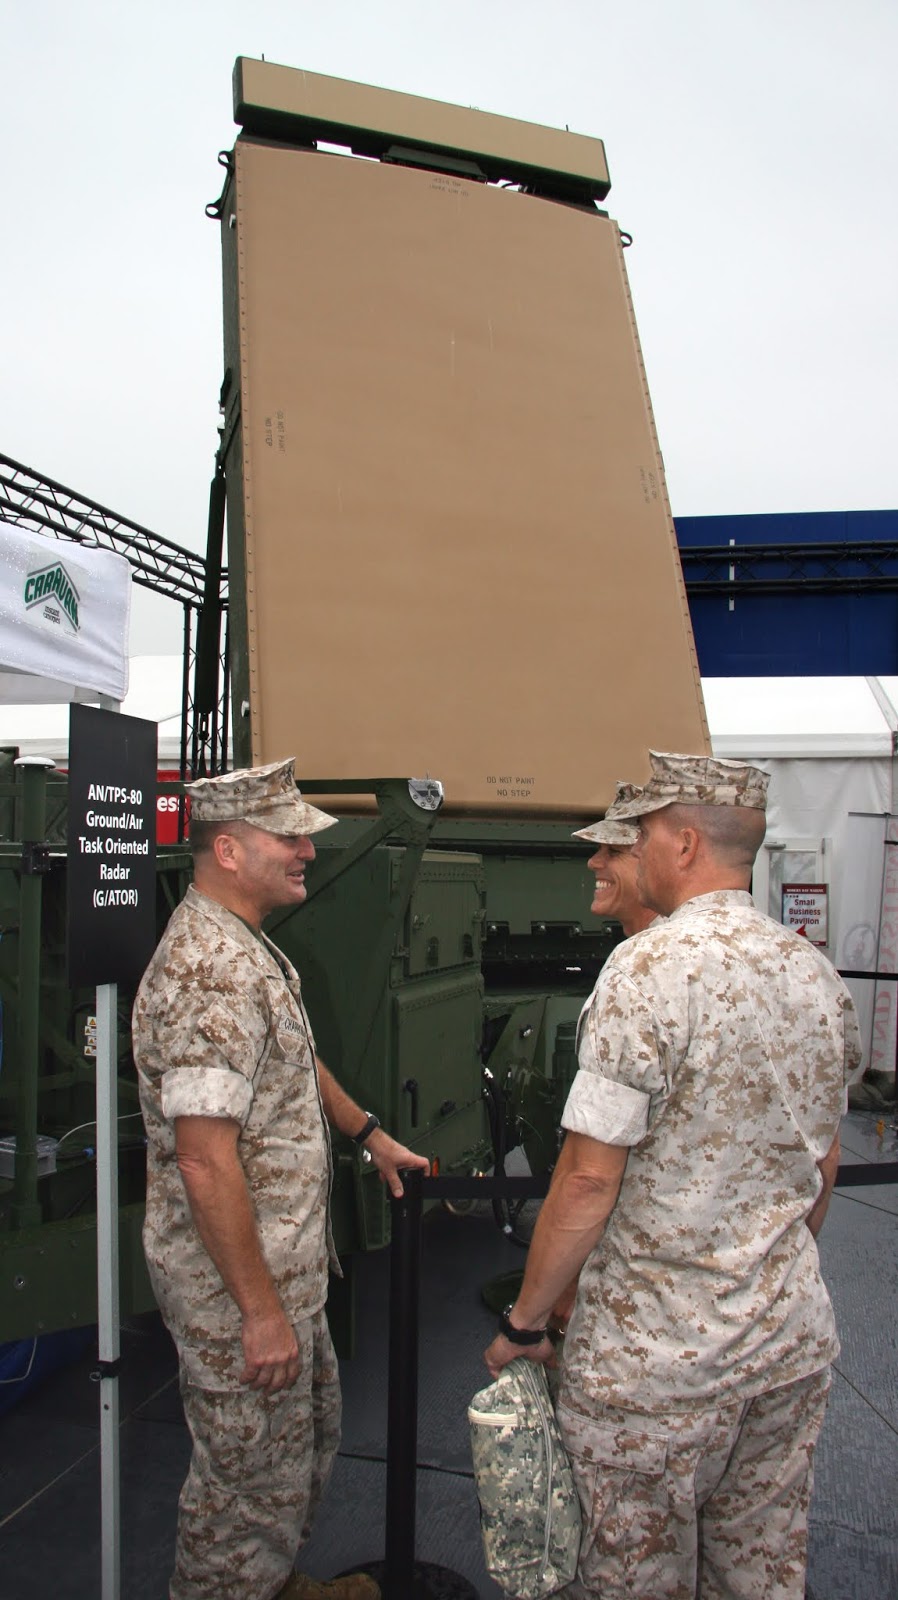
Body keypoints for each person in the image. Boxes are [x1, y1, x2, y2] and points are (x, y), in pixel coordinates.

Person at [484, 751, 862, 1599]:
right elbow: (824, 1165)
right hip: (786, 1351)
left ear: (684, 843)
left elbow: (587, 1178)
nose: (623, 852)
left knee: (631, 1578)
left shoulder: (649, 969)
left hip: (656, 1372)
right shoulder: (815, 972)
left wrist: (526, 1320)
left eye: (642, 835)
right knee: (759, 1575)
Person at [134, 759, 430, 1600]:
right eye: (289, 836)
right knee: (242, 1495)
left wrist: (367, 1134)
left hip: (286, 1274)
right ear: (227, 849)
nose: (308, 849)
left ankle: (276, 1585)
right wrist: (259, 1314)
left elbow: (292, 1061)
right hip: (242, 1295)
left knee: (296, 1457)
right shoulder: (209, 973)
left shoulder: (244, 947)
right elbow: (201, 1156)